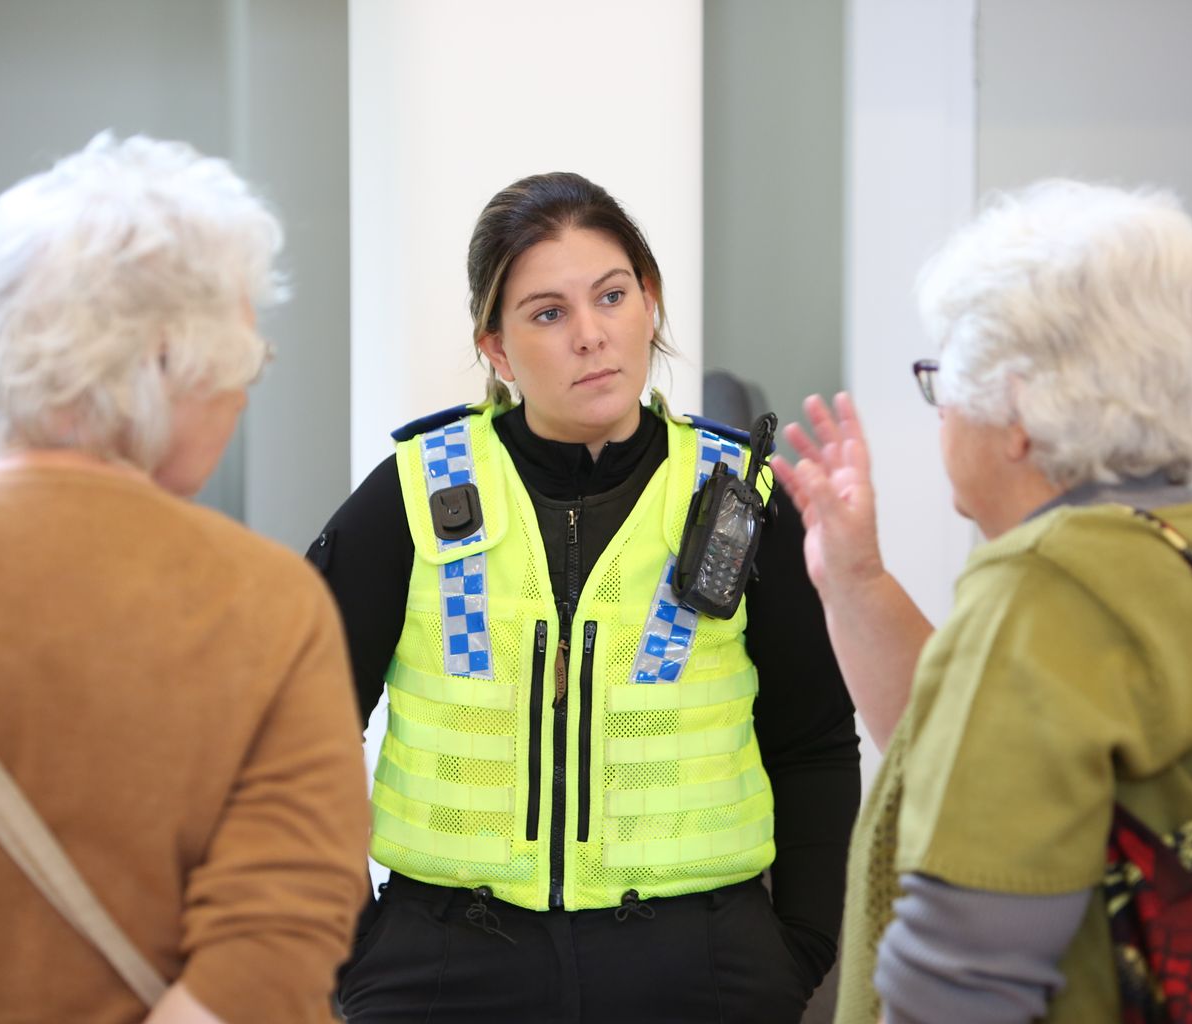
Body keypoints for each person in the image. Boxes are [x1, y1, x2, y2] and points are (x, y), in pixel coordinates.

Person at [774, 180, 1192, 1023]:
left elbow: (958, 986)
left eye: (944, 382)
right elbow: (961, 765)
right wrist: (854, 577)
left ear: (1015, 413)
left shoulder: (1043, 591)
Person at [0, 133, 371, 1024]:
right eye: (245, 360)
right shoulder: (265, 607)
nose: (243, 395)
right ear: (170, 365)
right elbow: (265, 966)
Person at [308, 171, 862, 1023]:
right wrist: (348, 947)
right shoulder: (417, 492)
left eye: (611, 297)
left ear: (650, 304)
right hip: (449, 965)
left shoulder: (739, 495)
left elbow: (815, 741)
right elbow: (302, 732)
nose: (591, 336)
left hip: (701, 966)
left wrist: (800, 947)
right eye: (548, 313)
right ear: (496, 348)